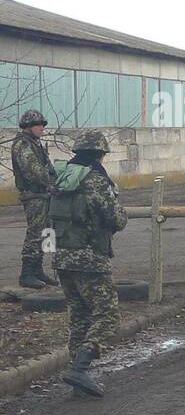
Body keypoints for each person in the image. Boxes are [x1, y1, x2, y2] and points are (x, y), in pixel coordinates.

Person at [49, 130, 130, 398]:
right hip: (90, 258)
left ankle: (77, 379)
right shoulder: (95, 180)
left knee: (79, 315)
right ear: (99, 153)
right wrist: (121, 209)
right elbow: (115, 219)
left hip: (62, 257)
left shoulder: (63, 177)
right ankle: (80, 368)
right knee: (107, 316)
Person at [11, 108, 57, 286]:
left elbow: (48, 168)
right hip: (33, 195)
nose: (42, 128)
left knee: (46, 232)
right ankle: (27, 273)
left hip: (43, 194)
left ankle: (38, 270)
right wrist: (52, 181)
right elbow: (34, 171)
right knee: (35, 232)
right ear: (28, 126)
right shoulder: (23, 144)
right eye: (38, 125)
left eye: (42, 125)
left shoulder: (35, 144)